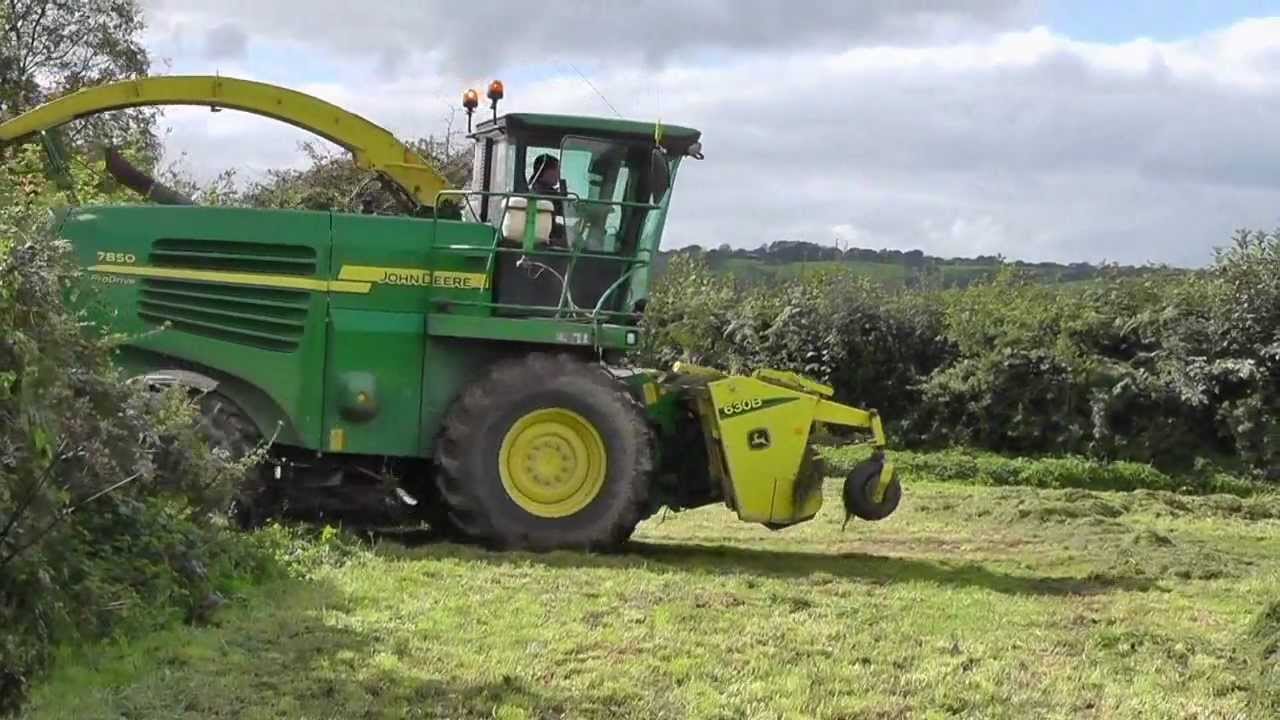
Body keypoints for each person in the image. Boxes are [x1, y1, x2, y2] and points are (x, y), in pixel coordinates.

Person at [528, 153, 569, 246]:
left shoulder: (533, 187)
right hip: (547, 234)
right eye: (557, 170)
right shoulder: (546, 192)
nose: (559, 174)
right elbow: (565, 209)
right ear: (547, 171)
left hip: (541, 229)